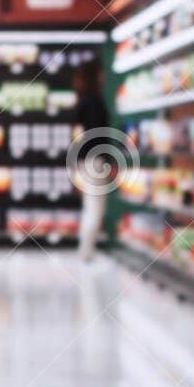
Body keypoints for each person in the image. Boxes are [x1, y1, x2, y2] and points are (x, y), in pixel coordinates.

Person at [72, 61, 111, 262]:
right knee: (96, 207)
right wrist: (109, 161)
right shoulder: (95, 101)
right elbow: (99, 135)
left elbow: (78, 135)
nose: (104, 76)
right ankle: (86, 252)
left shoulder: (81, 101)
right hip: (95, 161)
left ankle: (85, 250)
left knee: (90, 206)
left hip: (83, 161)